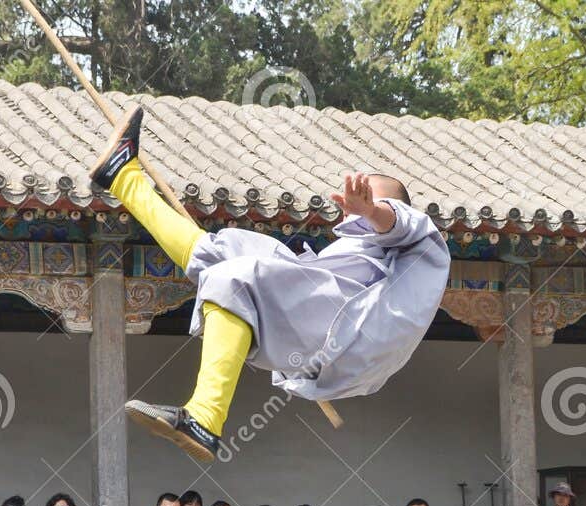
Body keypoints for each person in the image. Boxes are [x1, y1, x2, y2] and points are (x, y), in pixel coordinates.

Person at [93, 106, 450, 460]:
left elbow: (399, 222)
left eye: (369, 195)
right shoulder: (354, 253)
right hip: (329, 339)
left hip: (354, 335)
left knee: (236, 279)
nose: (355, 202)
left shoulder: (421, 244)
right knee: (225, 251)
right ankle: (124, 176)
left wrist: (372, 210)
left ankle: (205, 416)